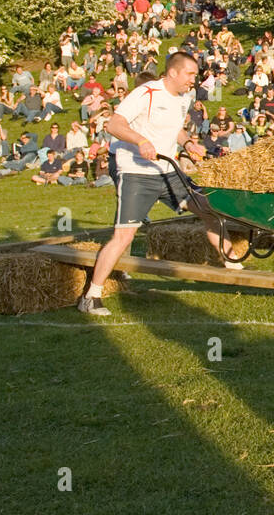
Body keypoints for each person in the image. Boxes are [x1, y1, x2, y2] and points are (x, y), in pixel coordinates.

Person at [78, 52, 224, 317]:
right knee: (124, 236)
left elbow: (175, 129)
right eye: (190, 74)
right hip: (136, 172)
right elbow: (114, 124)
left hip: (167, 170)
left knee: (209, 208)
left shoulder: (185, 98)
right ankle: (92, 296)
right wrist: (140, 141)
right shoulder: (146, 93)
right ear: (173, 73)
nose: (195, 79)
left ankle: (232, 266)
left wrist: (188, 143)